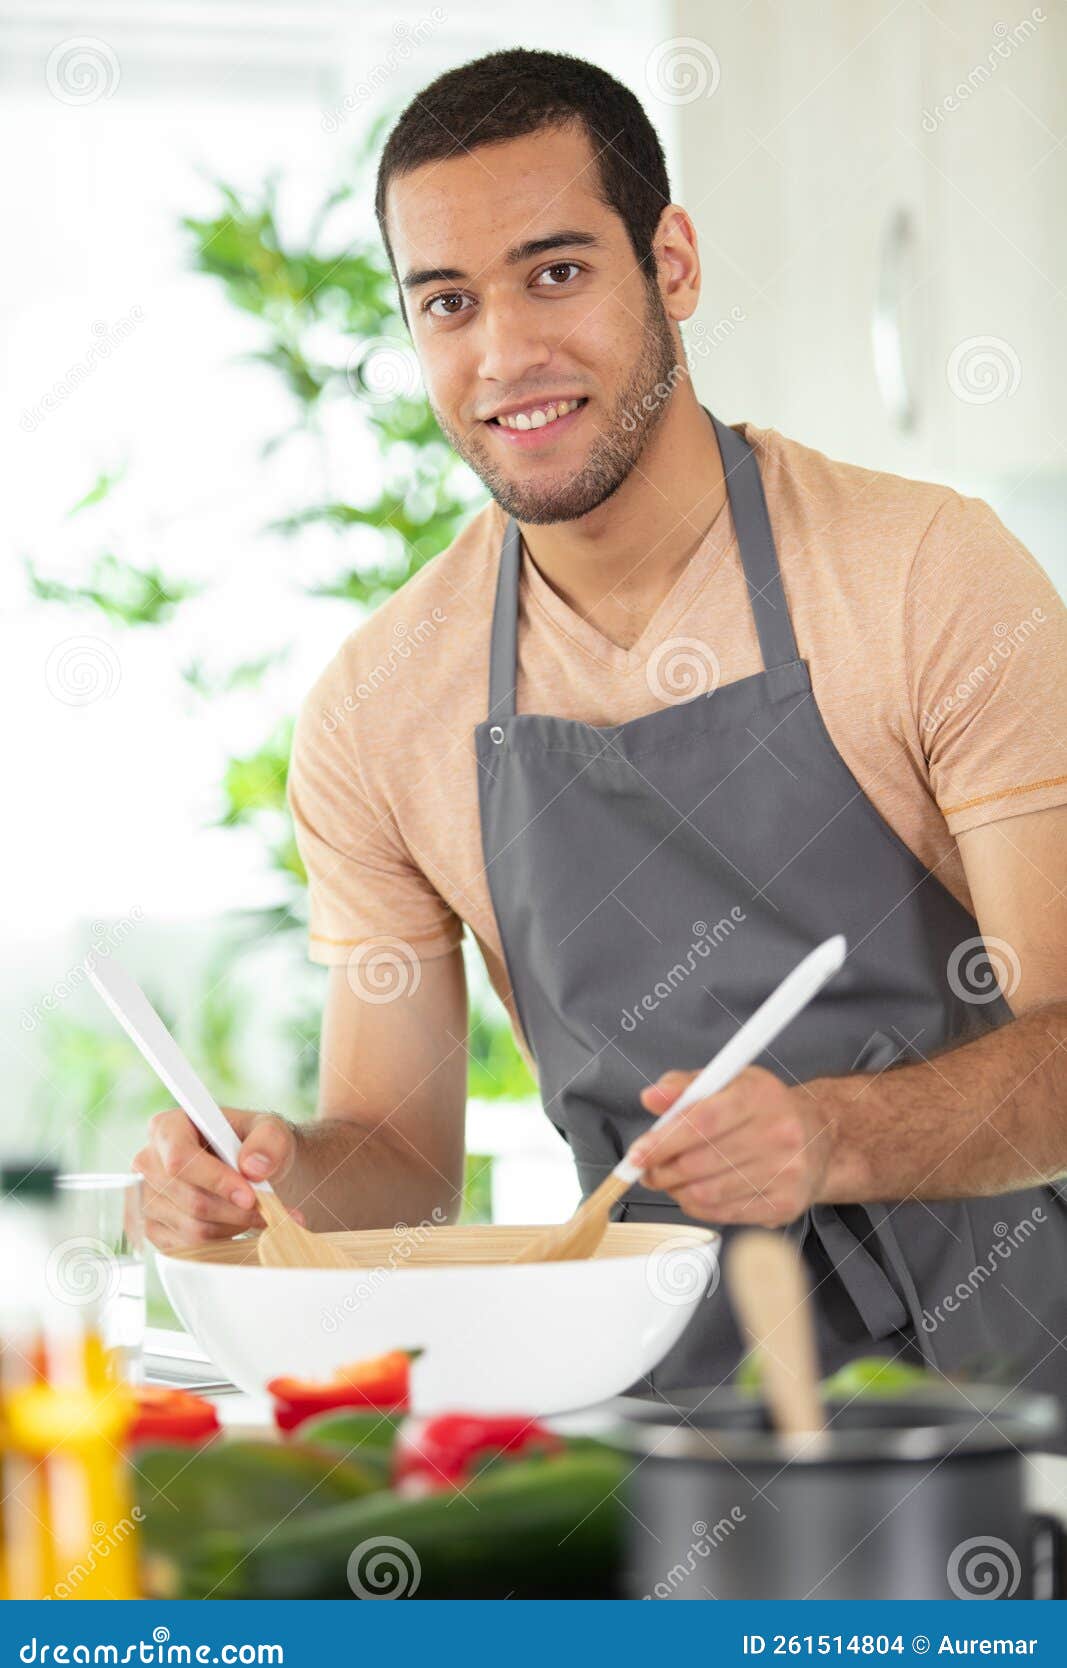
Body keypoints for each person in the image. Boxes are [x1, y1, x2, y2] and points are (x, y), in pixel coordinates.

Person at [136, 48, 1067, 1394]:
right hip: (676, 1433)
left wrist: (828, 1138)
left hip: (1022, 1403)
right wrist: (271, 1187)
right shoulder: (380, 707)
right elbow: (401, 1170)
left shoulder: (923, 574)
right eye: (448, 301)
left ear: (671, 264)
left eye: (556, 271)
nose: (506, 352)